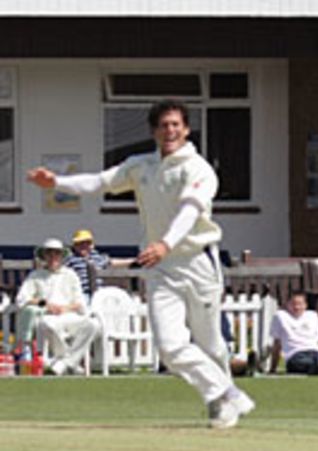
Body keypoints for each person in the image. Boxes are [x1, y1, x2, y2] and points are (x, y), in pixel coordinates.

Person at [25, 99, 255, 428]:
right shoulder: (141, 165)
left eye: (176, 124)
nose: (170, 131)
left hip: (197, 262)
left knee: (210, 343)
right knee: (169, 347)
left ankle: (220, 400)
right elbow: (100, 181)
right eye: (163, 125)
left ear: (187, 129)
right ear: (153, 131)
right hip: (160, 266)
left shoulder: (199, 169)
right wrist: (57, 183)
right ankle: (227, 393)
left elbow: (190, 211)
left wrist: (166, 243)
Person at [15, 238, 101, 375]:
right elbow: (22, 299)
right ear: (44, 256)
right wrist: (46, 305)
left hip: (69, 315)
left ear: (62, 256)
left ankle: (64, 363)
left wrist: (66, 308)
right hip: (48, 316)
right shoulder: (35, 275)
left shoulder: (71, 275)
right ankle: (69, 363)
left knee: (93, 324)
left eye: (56, 253)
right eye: (49, 253)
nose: (53, 257)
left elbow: (79, 301)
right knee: (46, 324)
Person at [267, 292, 318, 375]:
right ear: (287, 304)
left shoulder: (312, 316)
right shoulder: (280, 316)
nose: (297, 307)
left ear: (305, 305)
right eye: (293, 304)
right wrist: (273, 367)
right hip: (295, 354)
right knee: (300, 364)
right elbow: (277, 343)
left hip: (314, 351)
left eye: (300, 304)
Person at [63, 229, 110, 299]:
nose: (84, 246)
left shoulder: (97, 256)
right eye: (80, 243)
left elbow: (111, 262)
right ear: (74, 246)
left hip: (98, 293)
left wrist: (131, 261)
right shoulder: (72, 258)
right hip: (80, 293)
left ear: (92, 245)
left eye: (87, 243)